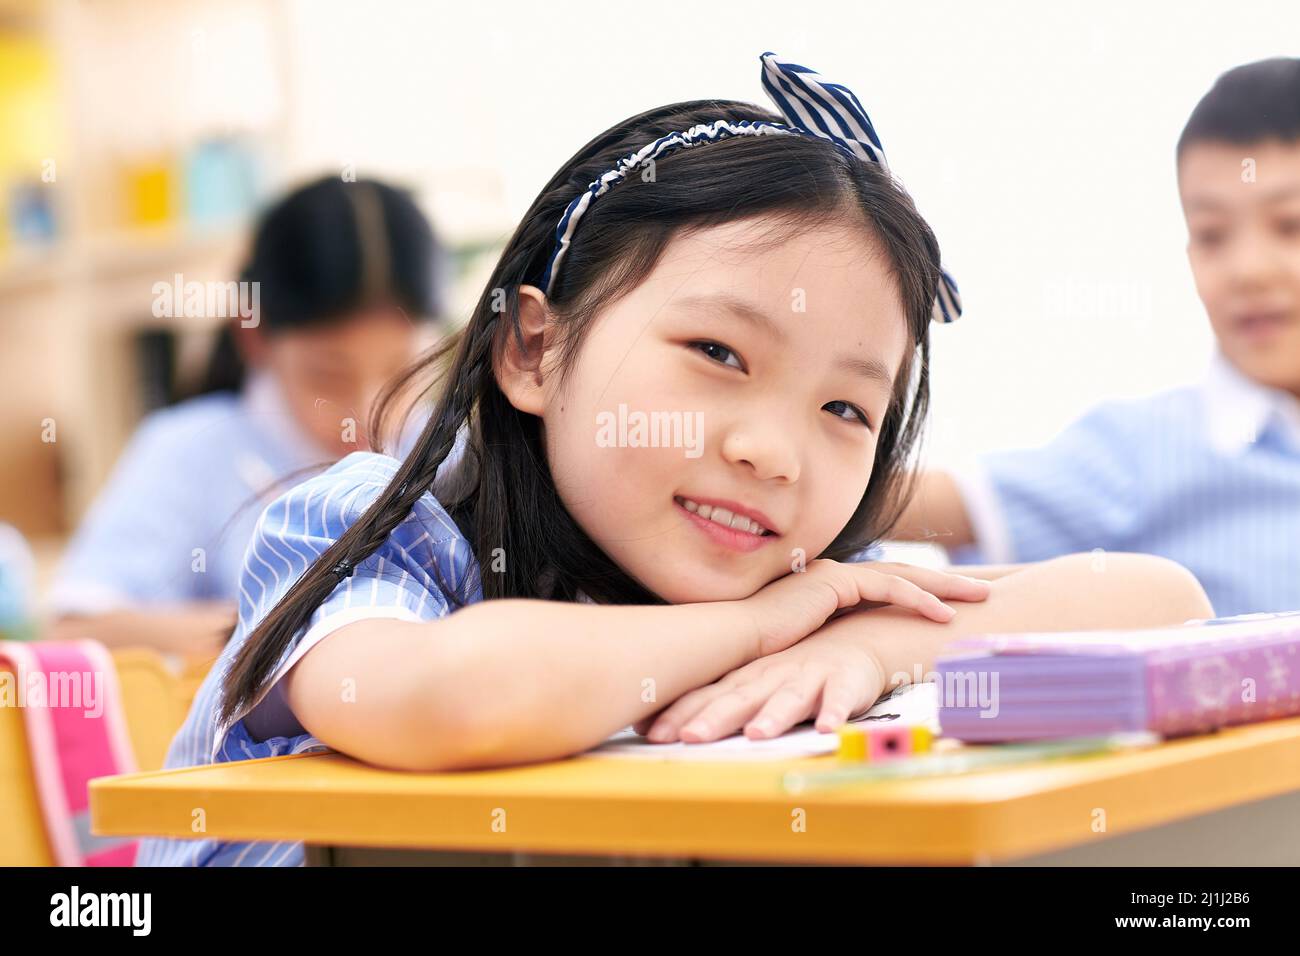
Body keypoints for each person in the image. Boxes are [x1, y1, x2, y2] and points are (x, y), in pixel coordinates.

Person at [140, 53, 1209, 866]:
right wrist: (762, 629)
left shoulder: (799, 579)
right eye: (717, 353)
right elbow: (450, 699)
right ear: (533, 349)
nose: (771, 451)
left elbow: (1159, 601)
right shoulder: (385, 522)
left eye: (845, 406)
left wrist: (880, 640)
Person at [893, 58, 1300, 618]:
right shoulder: (1146, 451)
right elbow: (921, 503)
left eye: (1290, 225)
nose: (1247, 270)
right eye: (1212, 235)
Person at [46, 176, 445, 657]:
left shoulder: (453, 450)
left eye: (403, 372)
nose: (365, 413)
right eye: (328, 376)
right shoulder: (191, 449)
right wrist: (297, 630)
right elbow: (74, 629)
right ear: (253, 335)